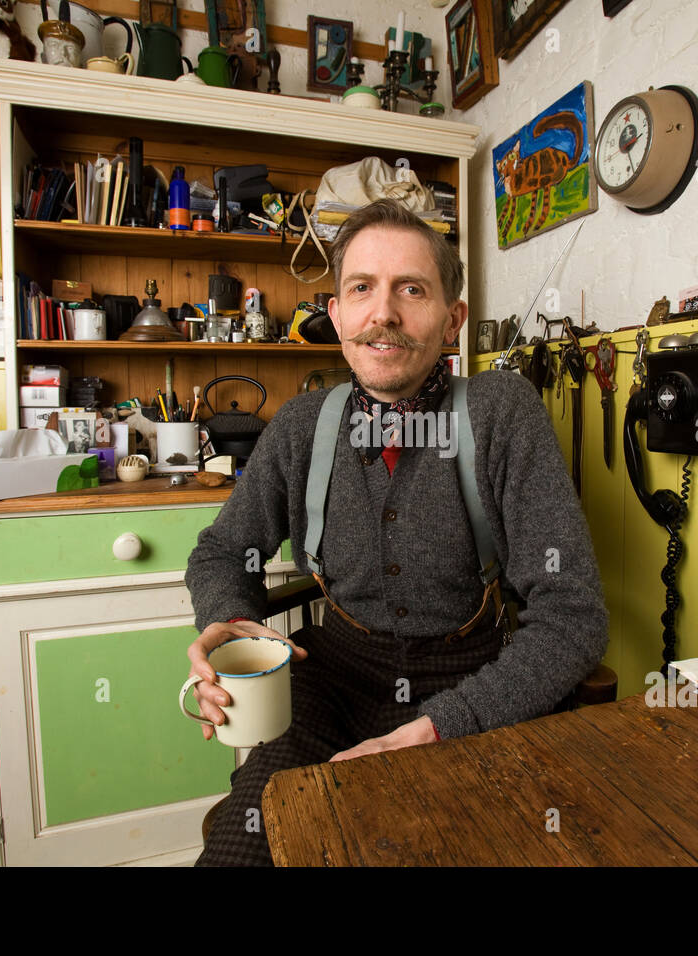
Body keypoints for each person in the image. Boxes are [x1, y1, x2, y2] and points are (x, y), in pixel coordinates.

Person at [184, 199, 608, 866]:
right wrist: (226, 619)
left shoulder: (503, 413)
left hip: (477, 689)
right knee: (249, 849)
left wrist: (446, 724)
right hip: (326, 685)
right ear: (337, 316)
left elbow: (573, 618)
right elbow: (220, 552)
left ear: (452, 319)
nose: (384, 312)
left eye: (411, 289)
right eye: (362, 289)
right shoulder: (299, 426)